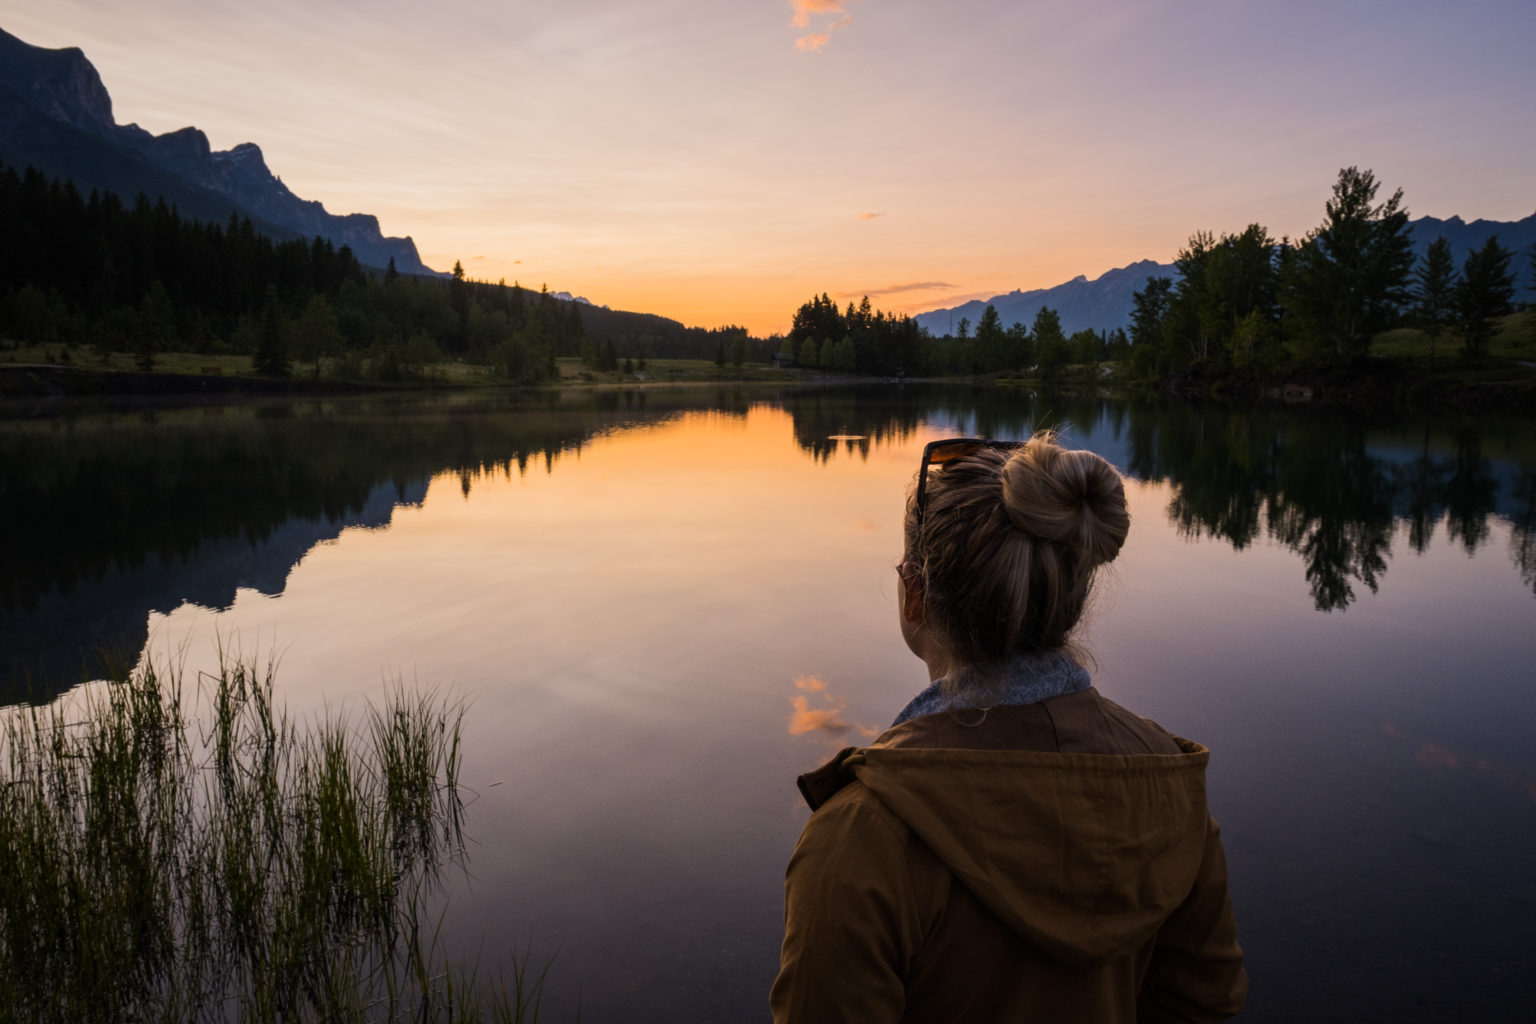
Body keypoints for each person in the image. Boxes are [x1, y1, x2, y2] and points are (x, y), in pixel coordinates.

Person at [770, 434, 1246, 1023]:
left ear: (914, 595)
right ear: (1070, 597)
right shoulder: (1168, 785)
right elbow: (1203, 1001)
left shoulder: (863, 836)